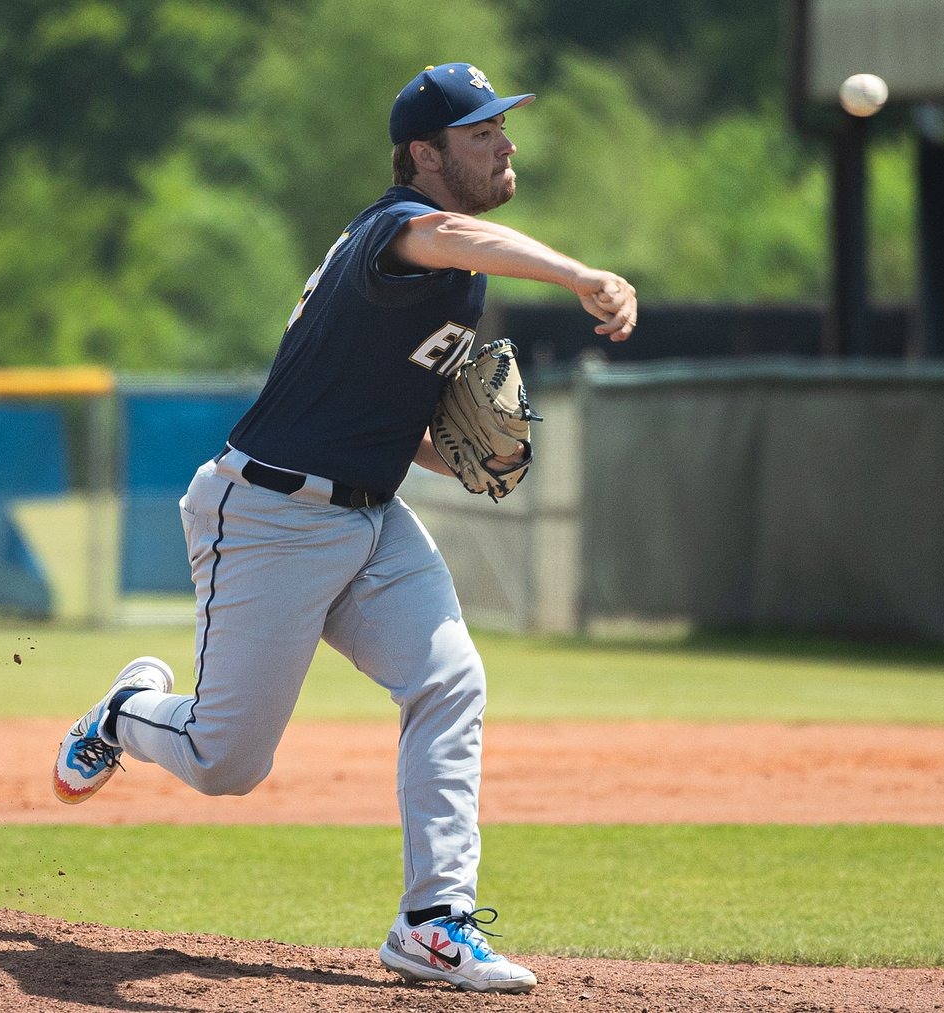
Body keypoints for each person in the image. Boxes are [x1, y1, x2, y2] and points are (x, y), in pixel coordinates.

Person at [50, 61, 636, 994]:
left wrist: (458, 453)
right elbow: (444, 232)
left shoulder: (451, 282)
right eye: (480, 132)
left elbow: (390, 424)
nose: (504, 142)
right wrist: (577, 274)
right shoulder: (393, 233)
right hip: (270, 514)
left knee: (450, 680)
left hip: (371, 517)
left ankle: (432, 923)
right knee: (224, 761)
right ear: (424, 154)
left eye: (501, 126)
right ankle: (126, 711)